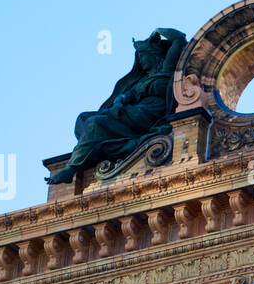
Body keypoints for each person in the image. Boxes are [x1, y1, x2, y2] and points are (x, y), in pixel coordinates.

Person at [47, 28, 186, 184]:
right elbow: (125, 96)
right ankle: (91, 151)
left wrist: (158, 31)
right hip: (134, 112)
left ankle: (71, 169)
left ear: (153, 54)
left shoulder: (167, 68)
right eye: (138, 57)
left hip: (150, 113)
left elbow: (179, 38)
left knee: (94, 124)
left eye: (142, 56)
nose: (140, 60)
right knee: (84, 118)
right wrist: (119, 102)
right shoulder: (142, 80)